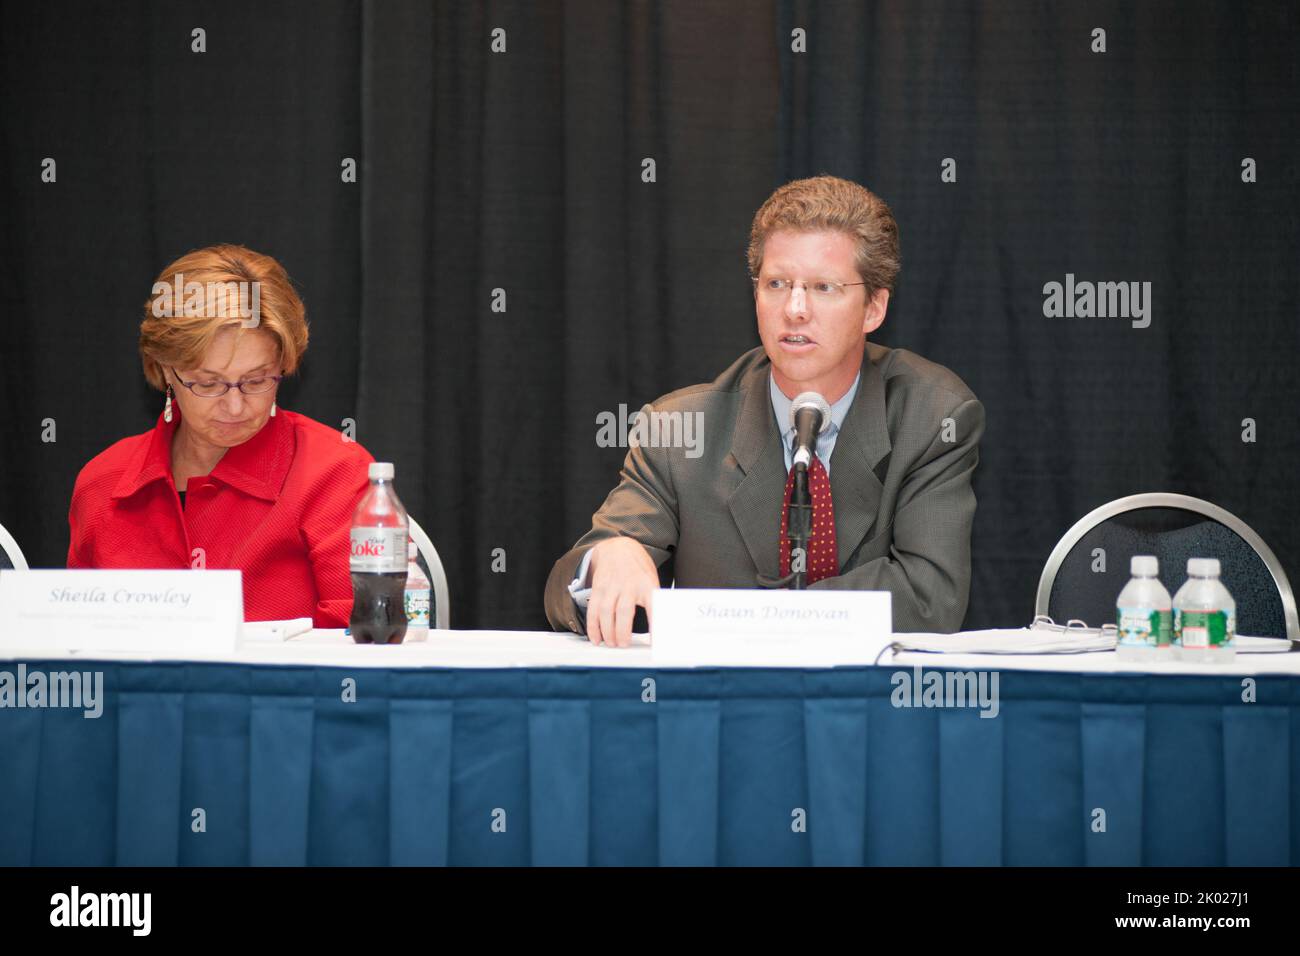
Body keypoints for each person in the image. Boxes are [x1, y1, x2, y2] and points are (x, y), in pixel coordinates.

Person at [544, 175, 985, 646]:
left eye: (823, 287)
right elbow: (564, 586)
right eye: (777, 283)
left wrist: (756, 621)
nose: (794, 309)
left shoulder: (933, 416)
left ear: (874, 307)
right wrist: (607, 559)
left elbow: (930, 597)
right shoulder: (679, 430)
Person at [67, 244, 374, 627]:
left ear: (284, 364)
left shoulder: (336, 473)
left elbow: (366, 648)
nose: (234, 407)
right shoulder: (103, 483)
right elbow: (78, 644)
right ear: (165, 370)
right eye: (208, 383)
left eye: (257, 380)